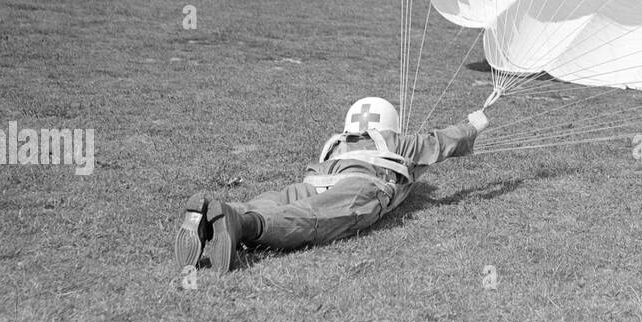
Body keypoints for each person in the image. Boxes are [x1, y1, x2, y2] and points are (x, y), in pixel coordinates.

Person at [175, 97, 489, 274]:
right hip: (361, 184)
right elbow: (443, 141)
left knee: (279, 198)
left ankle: (217, 214)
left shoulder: (337, 142)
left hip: (316, 179)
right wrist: (473, 125)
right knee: (315, 217)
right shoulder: (400, 142)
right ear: (390, 123)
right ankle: (244, 224)